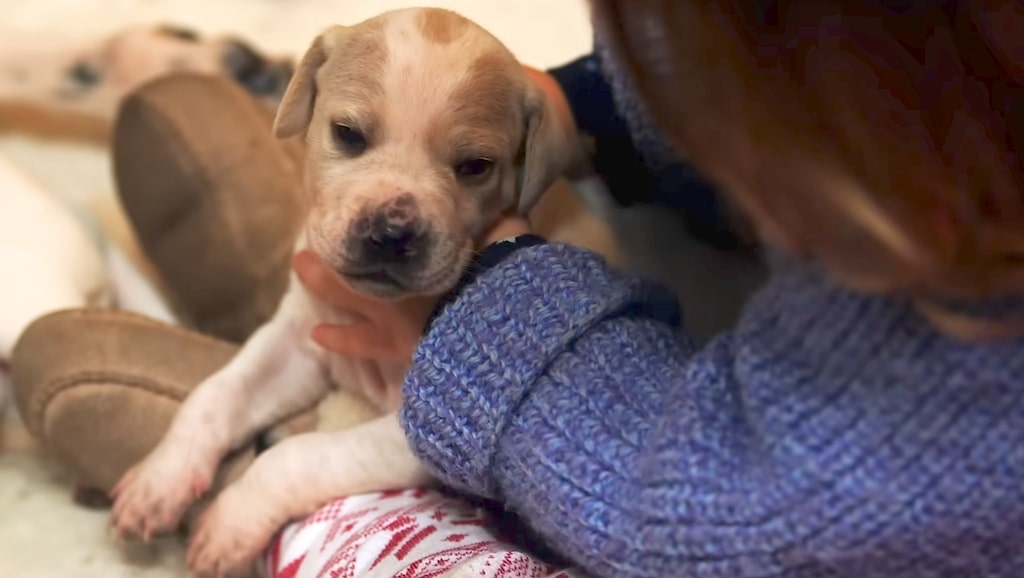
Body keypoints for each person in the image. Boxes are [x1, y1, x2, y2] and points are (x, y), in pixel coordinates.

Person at [293, 1, 1024, 577]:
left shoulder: (966, 377)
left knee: (362, 535)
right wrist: (593, 103)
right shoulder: (945, 135)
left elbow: (686, 508)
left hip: (680, 520)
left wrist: (491, 323)